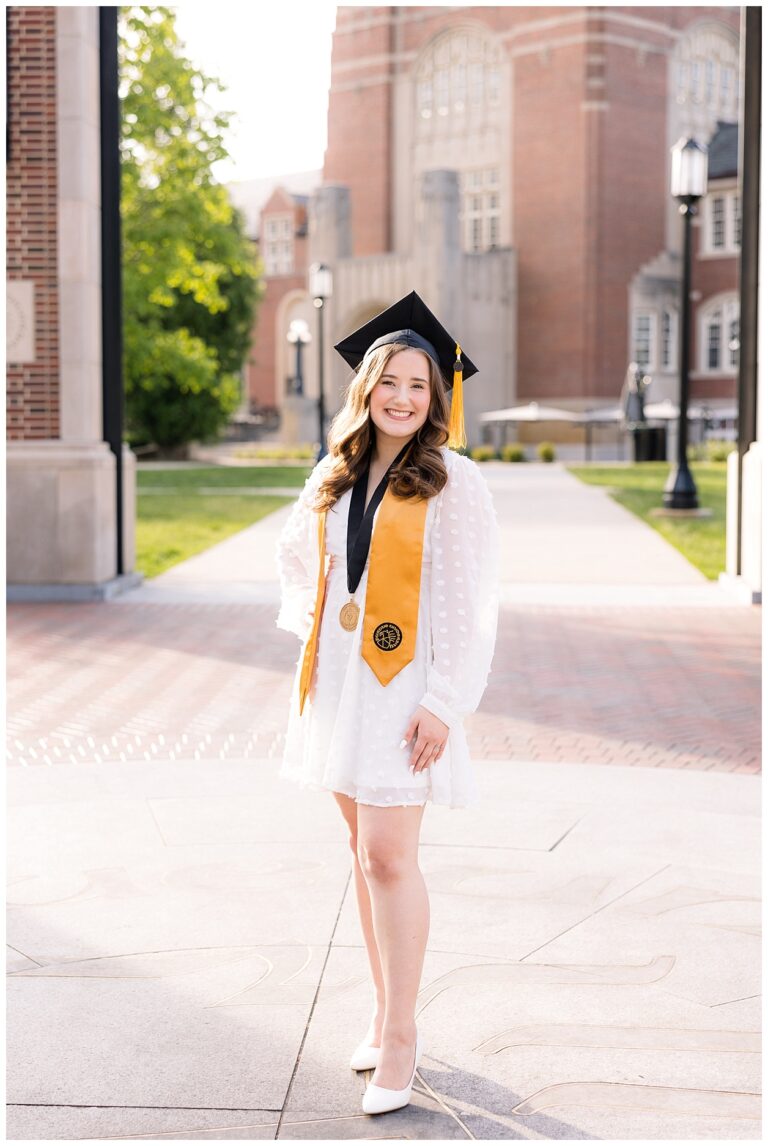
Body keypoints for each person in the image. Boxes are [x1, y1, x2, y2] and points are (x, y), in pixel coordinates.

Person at [274, 290, 501, 1115]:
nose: (403, 397)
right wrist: (323, 614)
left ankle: (402, 1034)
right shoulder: (337, 474)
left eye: (419, 384)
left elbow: (473, 604)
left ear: (438, 398)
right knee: (361, 854)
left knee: (389, 858)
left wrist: (445, 700)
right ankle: (381, 1010)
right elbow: (298, 561)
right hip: (341, 686)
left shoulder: (454, 482)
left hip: (406, 694)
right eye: (389, 382)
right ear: (365, 389)